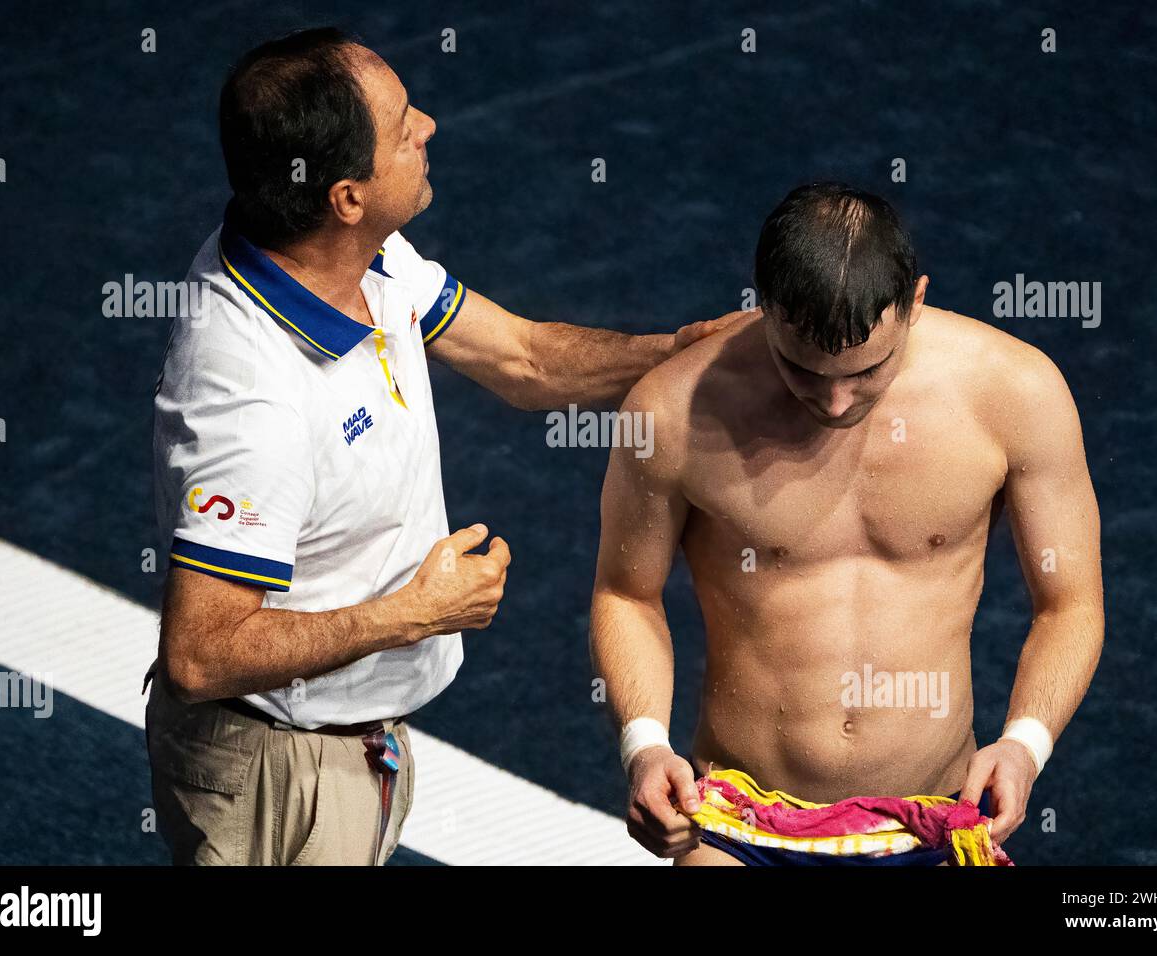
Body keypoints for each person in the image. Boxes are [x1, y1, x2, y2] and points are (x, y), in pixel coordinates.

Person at [147, 27, 739, 866]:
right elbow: (200, 656)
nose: (428, 124)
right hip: (277, 771)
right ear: (346, 196)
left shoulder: (361, 257)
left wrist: (685, 350)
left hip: (350, 742)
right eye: (401, 125)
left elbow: (525, 359)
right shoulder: (248, 392)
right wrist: (411, 616)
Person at [590, 181, 1104, 865]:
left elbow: (1070, 603)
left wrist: (1025, 745)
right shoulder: (671, 413)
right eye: (801, 369)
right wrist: (645, 747)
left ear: (915, 301)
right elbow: (627, 593)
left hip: (936, 812)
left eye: (868, 372)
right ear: (763, 307)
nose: (834, 402)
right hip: (739, 821)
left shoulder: (1015, 393)